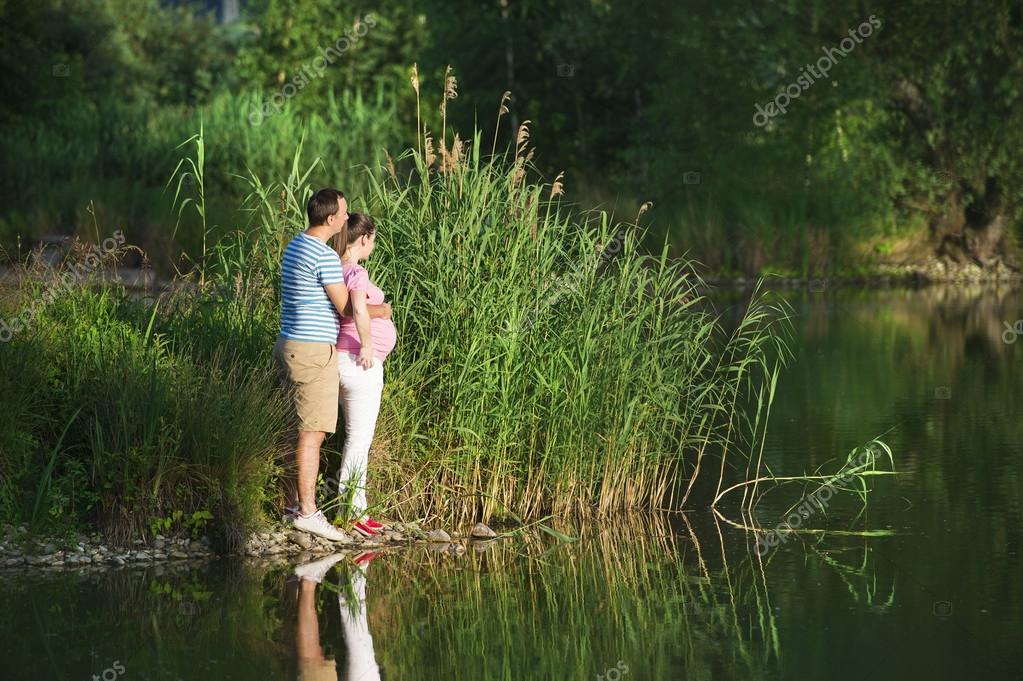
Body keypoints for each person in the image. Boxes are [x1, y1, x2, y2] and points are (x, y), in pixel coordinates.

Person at [274, 190, 390, 541]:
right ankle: (308, 513)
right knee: (314, 433)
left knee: (297, 429)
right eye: (342, 213)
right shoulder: (325, 257)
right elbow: (346, 307)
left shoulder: (295, 245)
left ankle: (294, 505)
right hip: (312, 352)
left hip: (291, 344)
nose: (345, 218)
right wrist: (382, 312)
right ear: (329, 219)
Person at [333, 213, 397, 538]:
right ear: (363, 239)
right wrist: (369, 346)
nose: (373, 245)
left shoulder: (334, 269)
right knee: (359, 441)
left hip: (340, 361)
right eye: (372, 239)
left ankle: (354, 509)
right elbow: (356, 310)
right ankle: (354, 513)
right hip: (360, 363)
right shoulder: (355, 270)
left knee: (353, 439)